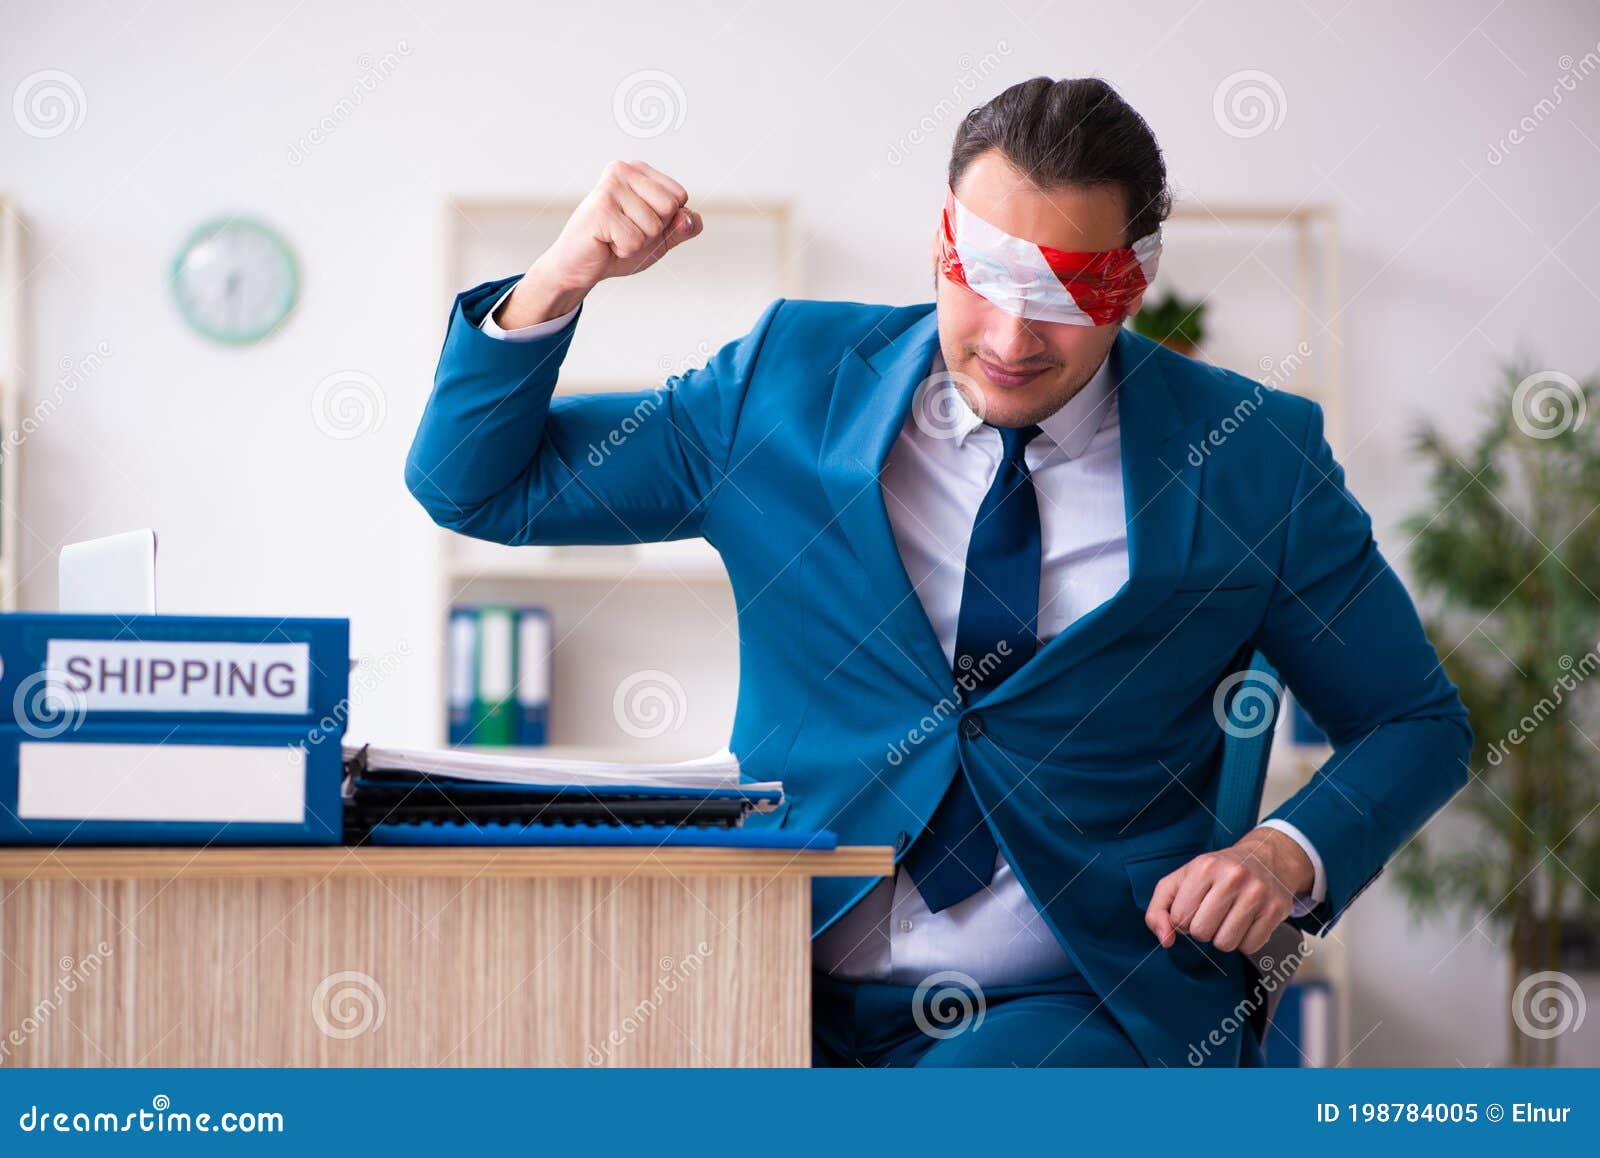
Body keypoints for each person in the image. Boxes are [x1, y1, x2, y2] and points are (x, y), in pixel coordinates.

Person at [406, 76, 1471, 1067]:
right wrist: (560, 277)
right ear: (939, 243)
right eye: (987, 274)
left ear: (1132, 283)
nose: (1011, 337)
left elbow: (1411, 721)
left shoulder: (1248, 456)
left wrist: (1285, 854)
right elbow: (481, 489)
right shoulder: (783, 387)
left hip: (1074, 1002)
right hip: (771, 973)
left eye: (1065, 291)